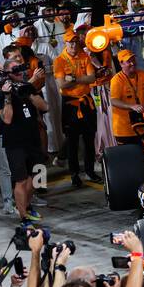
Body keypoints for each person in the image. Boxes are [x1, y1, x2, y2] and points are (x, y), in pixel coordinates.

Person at [0, 55, 48, 223]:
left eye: (21, 68)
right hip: (15, 143)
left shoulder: (27, 86)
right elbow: (7, 119)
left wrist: (30, 92)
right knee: (21, 180)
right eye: (15, 69)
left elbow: (44, 106)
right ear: (8, 73)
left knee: (39, 176)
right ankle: (24, 216)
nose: (20, 72)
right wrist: (8, 95)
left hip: (32, 139)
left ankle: (25, 204)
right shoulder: (1, 91)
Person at [52, 29, 101, 188]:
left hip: (86, 102)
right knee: (72, 142)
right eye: (70, 42)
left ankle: (90, 171)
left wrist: (73, 78)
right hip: (70, 104)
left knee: (89, 139)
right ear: (65, 43)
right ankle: (74, 175)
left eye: (75, 41)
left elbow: (92, 78)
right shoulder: (59, 60)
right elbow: (61, 84)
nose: (73, 44)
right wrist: (81, 80)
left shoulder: (85, 57)